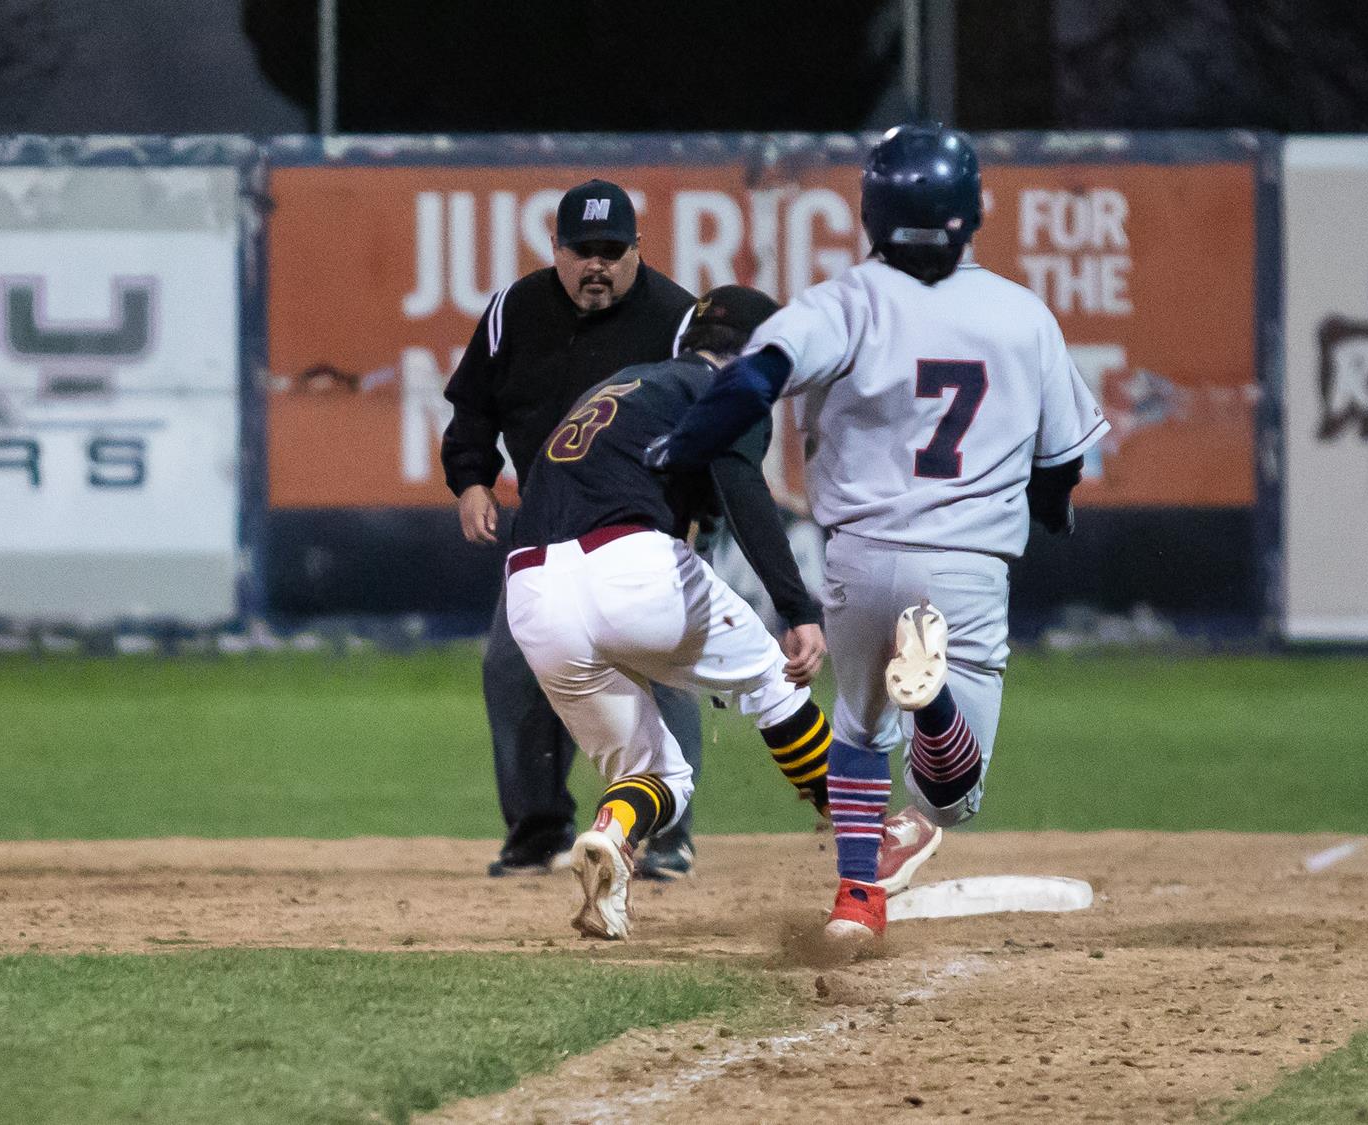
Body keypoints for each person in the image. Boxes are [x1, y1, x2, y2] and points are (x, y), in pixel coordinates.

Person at [647, 125, 1109, 947]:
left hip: (858, 555)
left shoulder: (846, 300)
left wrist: (680, 442)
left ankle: (856, 901)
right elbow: (1062, 461)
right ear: (969, 211)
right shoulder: (1022, 314)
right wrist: (1054, 508)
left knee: (858, 734)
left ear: (873, 209)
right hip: (967, 560)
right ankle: (929, 701)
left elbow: (753, 379)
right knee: (946, 796)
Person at [503, 285, 833, 940]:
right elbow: (740, 487)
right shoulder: (735, 387)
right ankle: (868, 836)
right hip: (627, 562)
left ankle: (610, 833)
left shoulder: (624, 384)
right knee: (775, 679)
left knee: (657, 775)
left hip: (532, 590)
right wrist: (797, 607)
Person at [441, 180, 705, 880]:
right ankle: (537, 830)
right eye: (581, 251)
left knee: (661, 668)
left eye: (612, 251)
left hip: (646, 526)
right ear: (554, 249)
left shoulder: (677, 319)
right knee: (512, 666)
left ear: (637, 251)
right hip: (547, 526)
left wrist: (699, 517)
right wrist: (471, 478)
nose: (598, 265)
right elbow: (473, 408)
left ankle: (668, 834)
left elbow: (711, 426)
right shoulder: (515, 311)